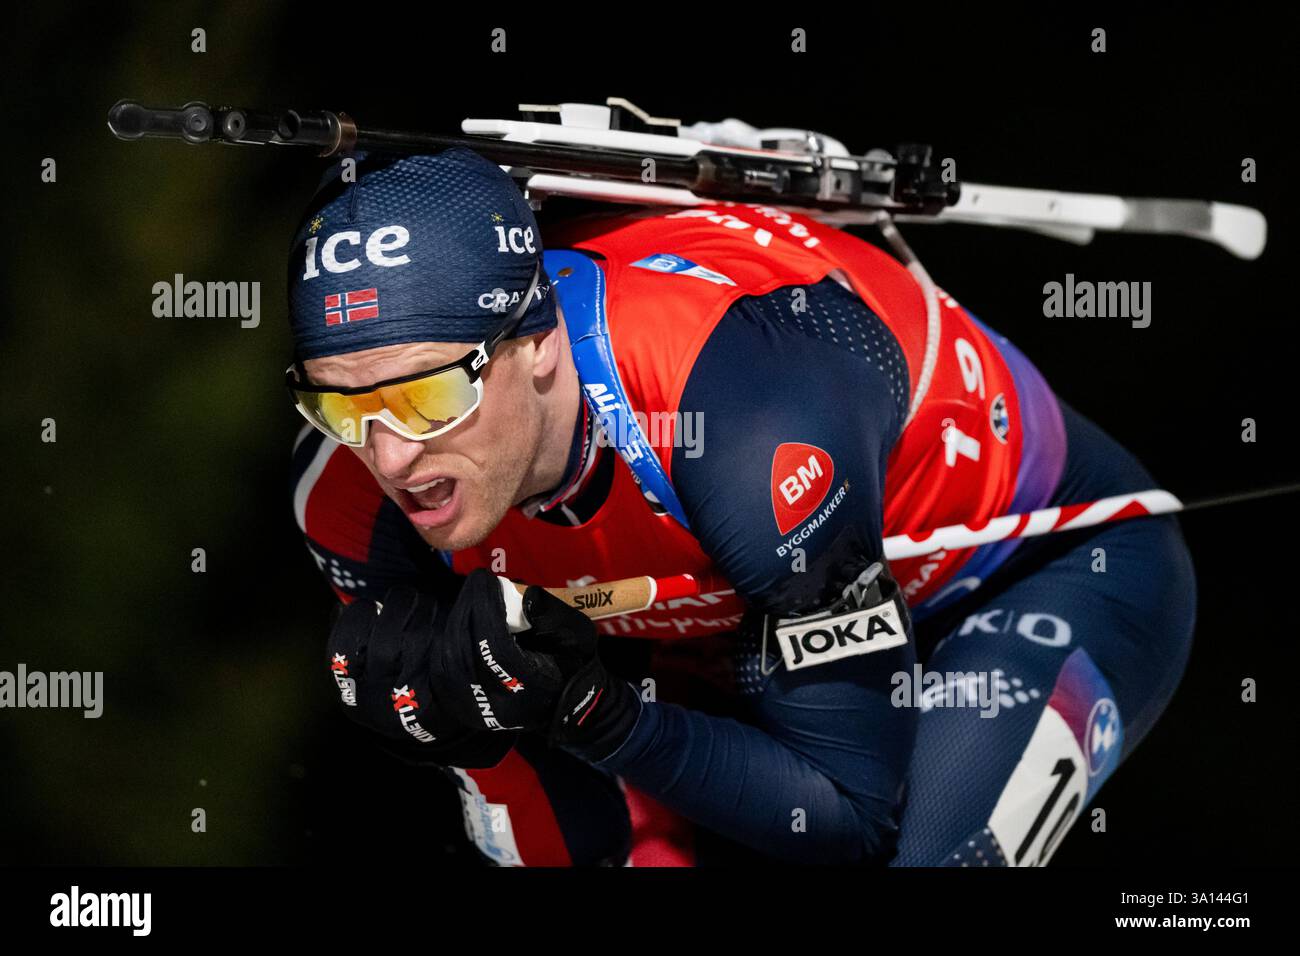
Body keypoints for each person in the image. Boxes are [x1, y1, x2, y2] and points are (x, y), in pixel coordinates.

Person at [289, 149, 1196, 866]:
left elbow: (846, 820)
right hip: (732, 631)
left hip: (1029, 575)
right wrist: (466, 739)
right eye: (339, 405)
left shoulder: (741, 421)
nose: (392, 454)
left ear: (538, 344)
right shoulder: (343, 494)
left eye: (430, 397)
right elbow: (561, 830)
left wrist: (595, 711)